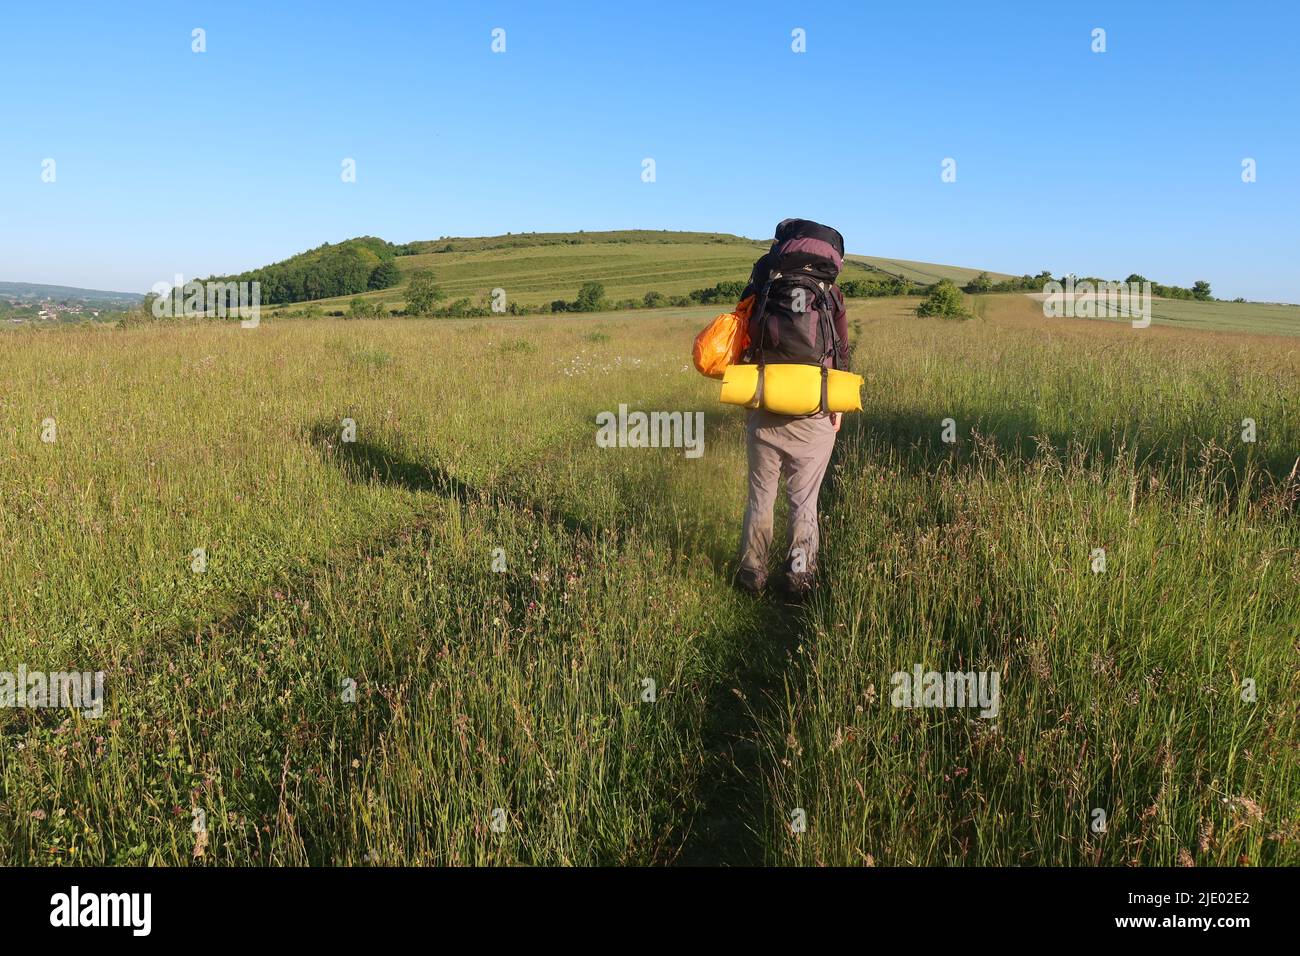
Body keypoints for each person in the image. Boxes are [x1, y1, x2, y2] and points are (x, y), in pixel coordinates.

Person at [736, 219, 849, 598]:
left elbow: (743, 334)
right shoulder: (830, 293)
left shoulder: (764, 285)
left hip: (765, 404)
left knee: (760, 496)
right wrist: (838, 407)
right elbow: (842, 351)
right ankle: (798, 578)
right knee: (804, 500)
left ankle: (752, 573)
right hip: (815, 409)